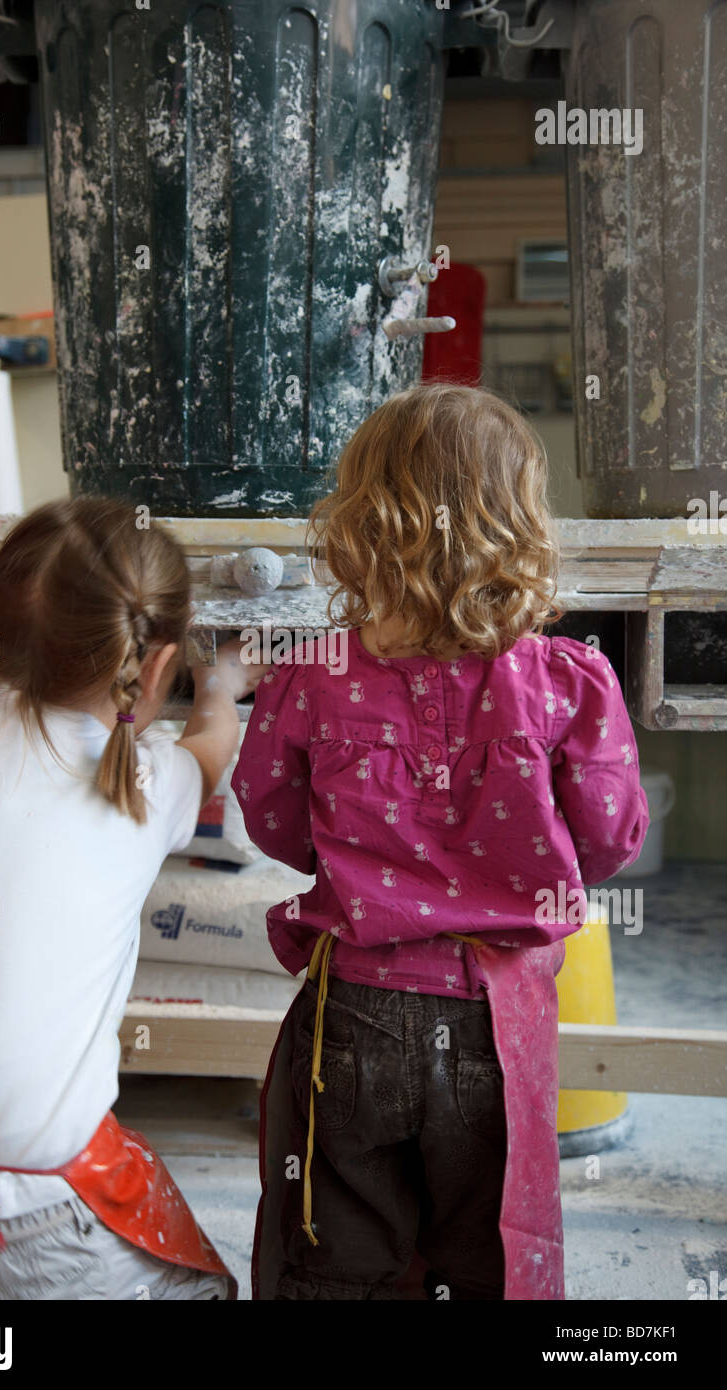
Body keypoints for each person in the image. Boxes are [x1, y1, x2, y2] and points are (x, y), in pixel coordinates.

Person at [234, 382, 650, 1301]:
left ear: (359, 522)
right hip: (493, 1023)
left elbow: (270, 818)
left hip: (355, 1011)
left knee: (339, 1249)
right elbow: (613, 838)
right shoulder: (566, 682)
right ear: (521, 524)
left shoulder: (313, 676)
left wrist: (360, 855)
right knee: (487, 1252)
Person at [0, 497, 266, 1300]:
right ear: (153, 668)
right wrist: (221, 679)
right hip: (34, 1234)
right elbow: (212, 744)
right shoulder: (150, 782)